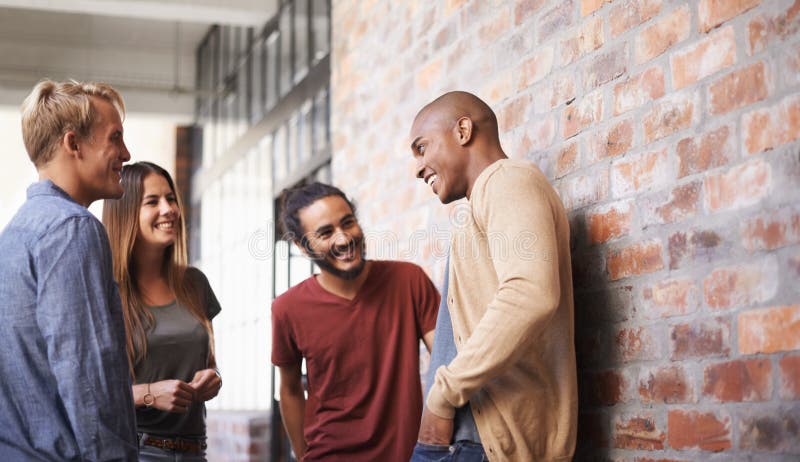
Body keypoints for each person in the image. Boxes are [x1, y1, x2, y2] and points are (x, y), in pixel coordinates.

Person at [409, 91, 578, 461]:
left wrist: (443, 394)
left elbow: (531, 293)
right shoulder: (486, 198)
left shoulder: (506, 180)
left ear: (464, 130)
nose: (417, 168)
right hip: (468, 440)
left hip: (481, 445)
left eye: (421, 148)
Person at [0, 80, 137, 459]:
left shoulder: (13, 235)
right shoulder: (72, 229)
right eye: (115, 138)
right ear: (73, 144)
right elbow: (88, 377)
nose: (126, 153)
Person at [271, 182, 440, 461]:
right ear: (303, 246)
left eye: (348, 223)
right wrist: (303, 456)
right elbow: (289, 389)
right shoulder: (287, 309)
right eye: (325, 233)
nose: (343, 239)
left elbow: (446, 364)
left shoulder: (409, 281)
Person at [103, 161, 222, 461]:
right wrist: (148, 393)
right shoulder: (105, 291)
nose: (169, 209)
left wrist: (213, 378)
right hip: (137, 451)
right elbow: (89, 392)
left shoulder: (195, 283)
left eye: (171, 199)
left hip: (196, 450)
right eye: (152, 202)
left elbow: (209, 361)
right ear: (126, 212)